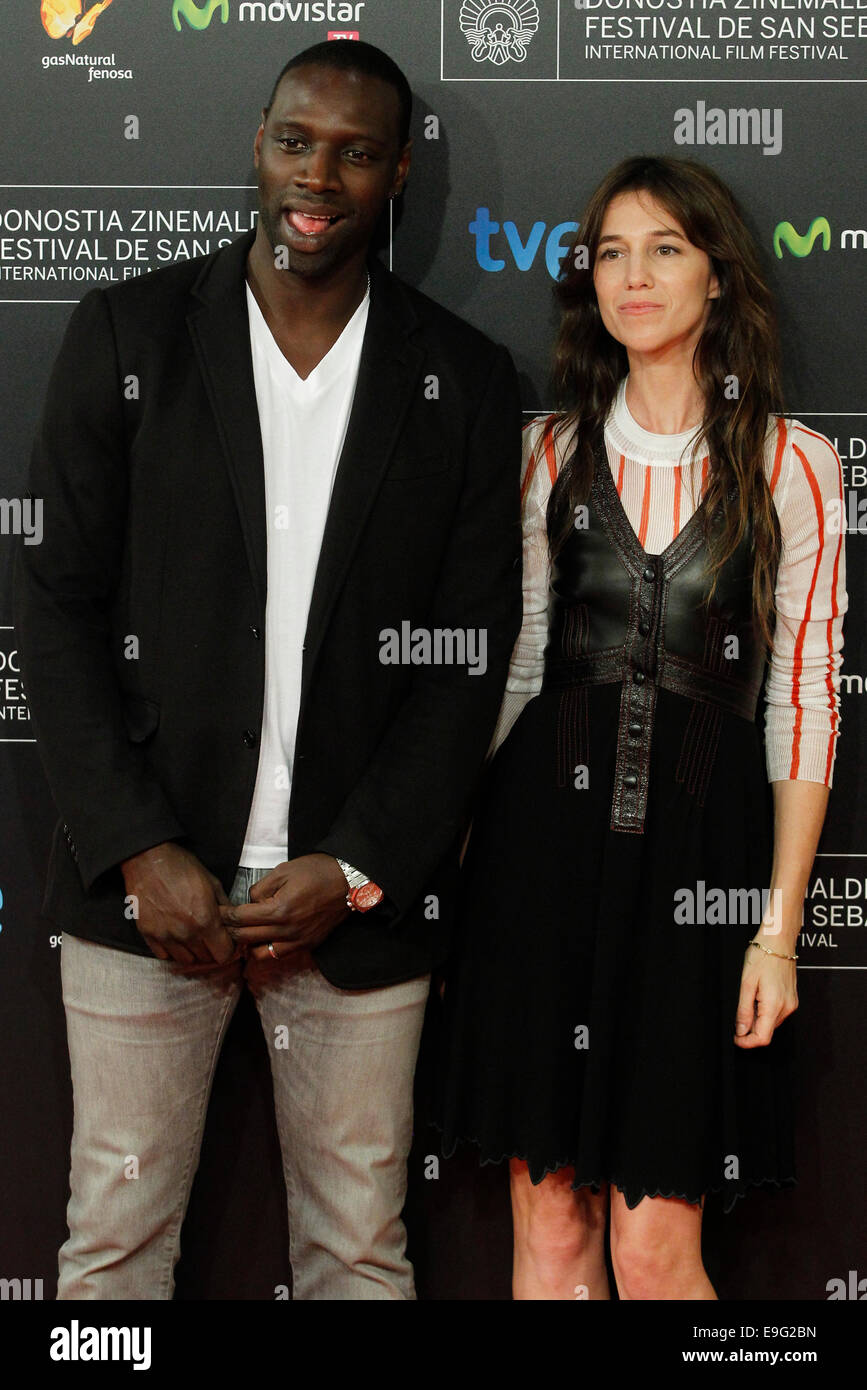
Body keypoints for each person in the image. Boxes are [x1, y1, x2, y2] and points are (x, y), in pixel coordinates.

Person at [13, 40, 522, 1300]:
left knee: (357, 1252)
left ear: (399, 171)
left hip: (349, 913)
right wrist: (138, 847)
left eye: (355, 152)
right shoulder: (128, 332)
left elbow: (465, 664)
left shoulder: (461, 379)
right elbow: (57, 610)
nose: (318, 175)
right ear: (258, 141)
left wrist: (353, 869)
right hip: (147, 904)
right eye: (297, 140)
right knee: (108, 1253)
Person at [439, 155, 847, 1300]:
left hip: (696, 882)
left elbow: (805, 698)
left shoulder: (795, 466)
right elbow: (513, 670)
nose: (635, 274)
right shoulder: (544, 453)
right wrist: (449, 870)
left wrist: (775, 929)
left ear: (719, 277)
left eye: (665, 247)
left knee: (657, 1246)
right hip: (539, 867)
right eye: (612, 251)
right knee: (552, 1232)